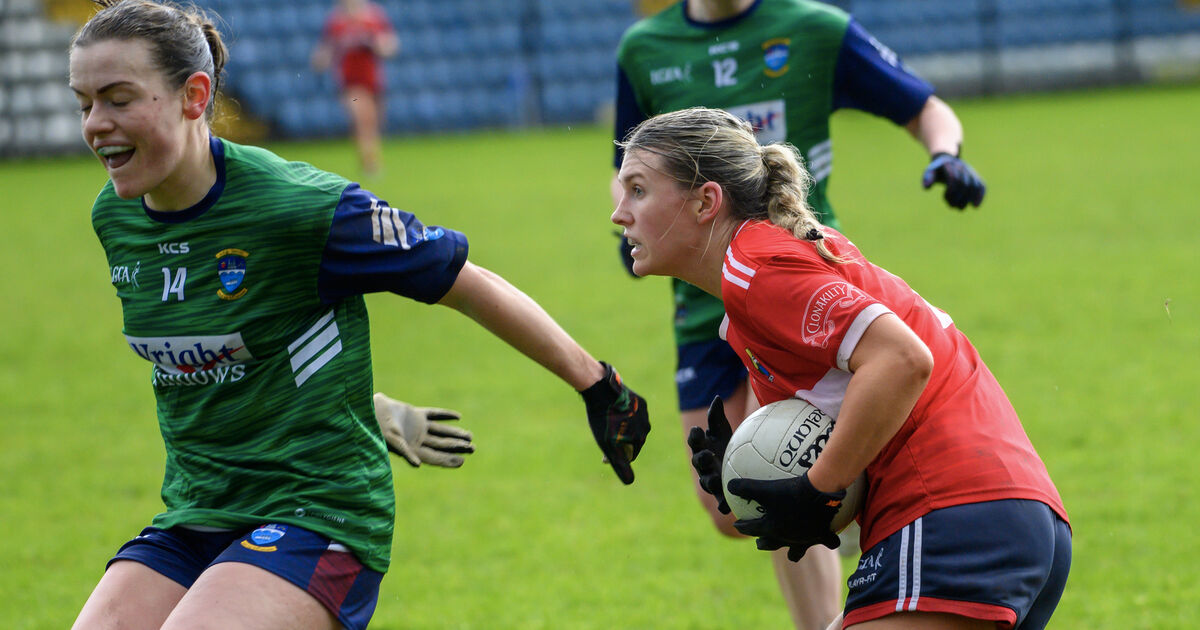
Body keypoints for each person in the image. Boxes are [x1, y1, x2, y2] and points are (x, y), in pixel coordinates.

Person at [66, 2, 650, 629]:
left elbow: (464, 281)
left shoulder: (299, 207)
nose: (98, 125)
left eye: (119, 99)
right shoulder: (116, 216)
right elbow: (245, 349)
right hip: (196, 512)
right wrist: (371, 407)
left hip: (318, 512)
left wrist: (597, 383)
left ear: (194, 95)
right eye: (84, 103)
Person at [612, 106, 1070, 630]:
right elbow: (851, 465)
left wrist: (816, 487)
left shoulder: (757, 271)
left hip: (950, 511)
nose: (619, 212)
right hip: (997, 514)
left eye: (639, 190)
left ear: (705, 202)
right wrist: (753, 481)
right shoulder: (756, 287)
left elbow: (903, 360)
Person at [611, 2, 986, 626]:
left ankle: (869, 597)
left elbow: (922, 104)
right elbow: (625, 164)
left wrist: (944, 151)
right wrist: (634, 224)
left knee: (818, 466)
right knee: (745, 496)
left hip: (800, 289)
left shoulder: (814, 27)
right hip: (706, 311)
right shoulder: (644, 48)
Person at [310, 0, 398, 177]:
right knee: (362, 118)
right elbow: (324, 51)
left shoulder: (373, 17)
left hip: (372, 81)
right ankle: (370, 164)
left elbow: (390, 47)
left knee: (373, 123)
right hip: (350, 82)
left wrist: (374, 43)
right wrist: (321, 60)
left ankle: (369, 159)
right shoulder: (336, 22)